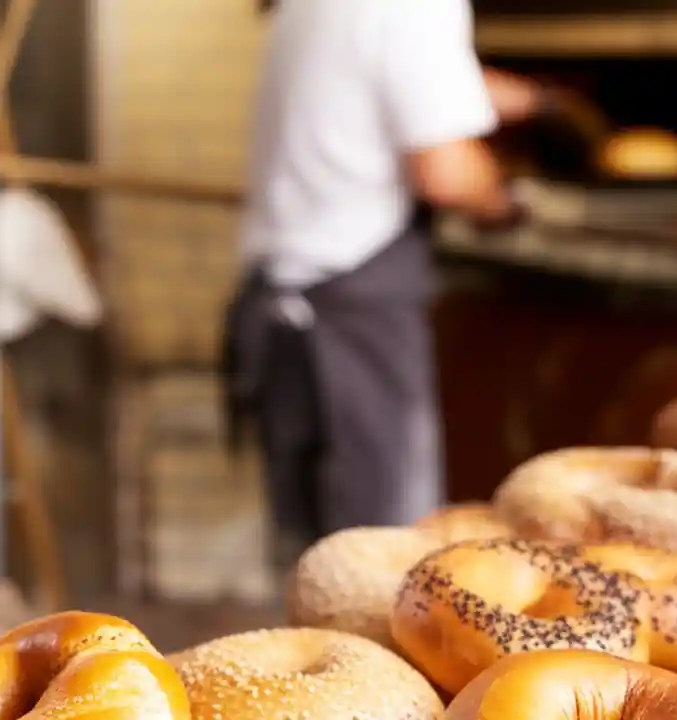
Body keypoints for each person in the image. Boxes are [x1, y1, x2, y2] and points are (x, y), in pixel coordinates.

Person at [224, 0, 545, 570]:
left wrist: (532, 100)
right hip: (352, 314)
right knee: (391, 560)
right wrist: (505, 203)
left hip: (283, 304)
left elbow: (386, 80)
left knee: (320, 562)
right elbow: (446, 172)